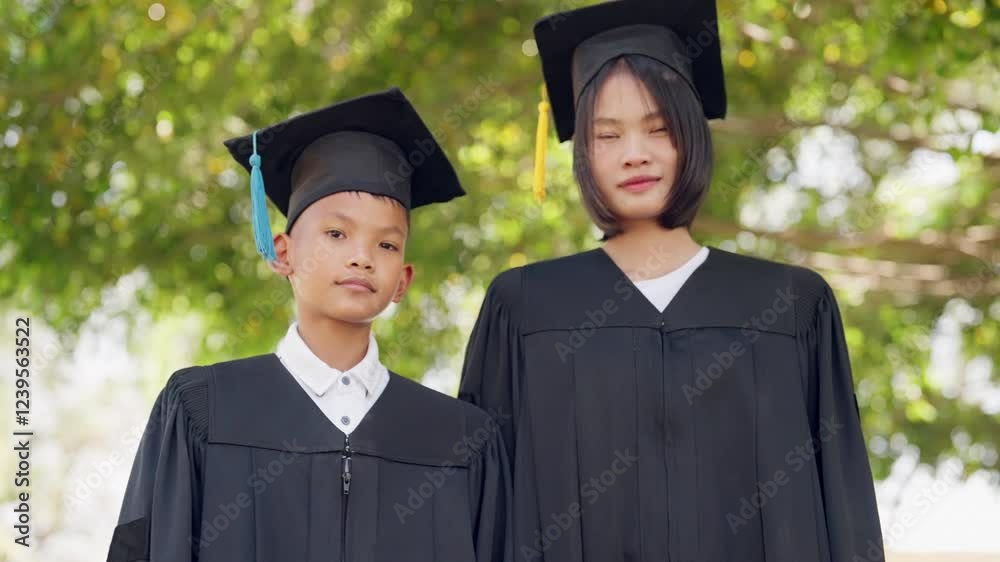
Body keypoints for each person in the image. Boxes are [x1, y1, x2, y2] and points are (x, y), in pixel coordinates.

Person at [458, 2, 884, 561]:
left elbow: (844, 512)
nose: (635, 154)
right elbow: (480, 517)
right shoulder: (525, 310)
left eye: (658, 129)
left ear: (690, 135)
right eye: (607, 136)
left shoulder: (789, 308)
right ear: (581, 152)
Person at [108, 87, 511, 562]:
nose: (362, 257)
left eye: (386, 245)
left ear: (402, 280)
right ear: (284, 254)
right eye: (336, 234)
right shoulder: (205, 410)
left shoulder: (460, 440)